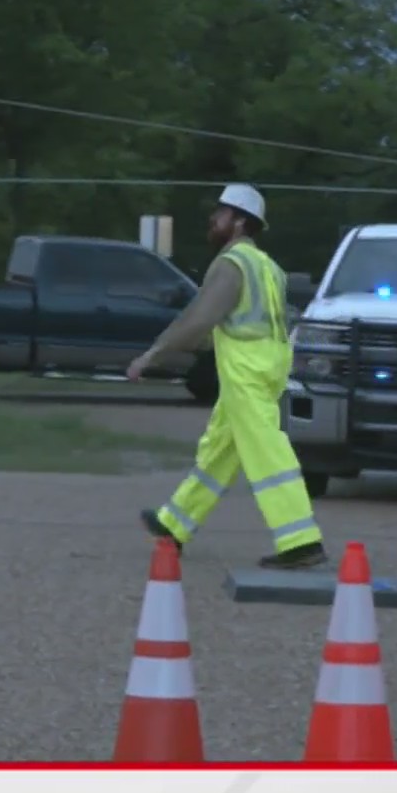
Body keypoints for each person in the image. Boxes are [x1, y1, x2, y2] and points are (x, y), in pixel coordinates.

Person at [127, 184, 327, 570]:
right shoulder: (268, 266)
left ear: (239, 222)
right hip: (268, 365)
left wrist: (152, 355)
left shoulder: (232, 263)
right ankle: (175, 523)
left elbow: (201, 318)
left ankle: (301, 540)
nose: (212, 220)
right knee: (219, 449)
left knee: (267, 452)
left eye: (220, 213)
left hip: (246, 369)